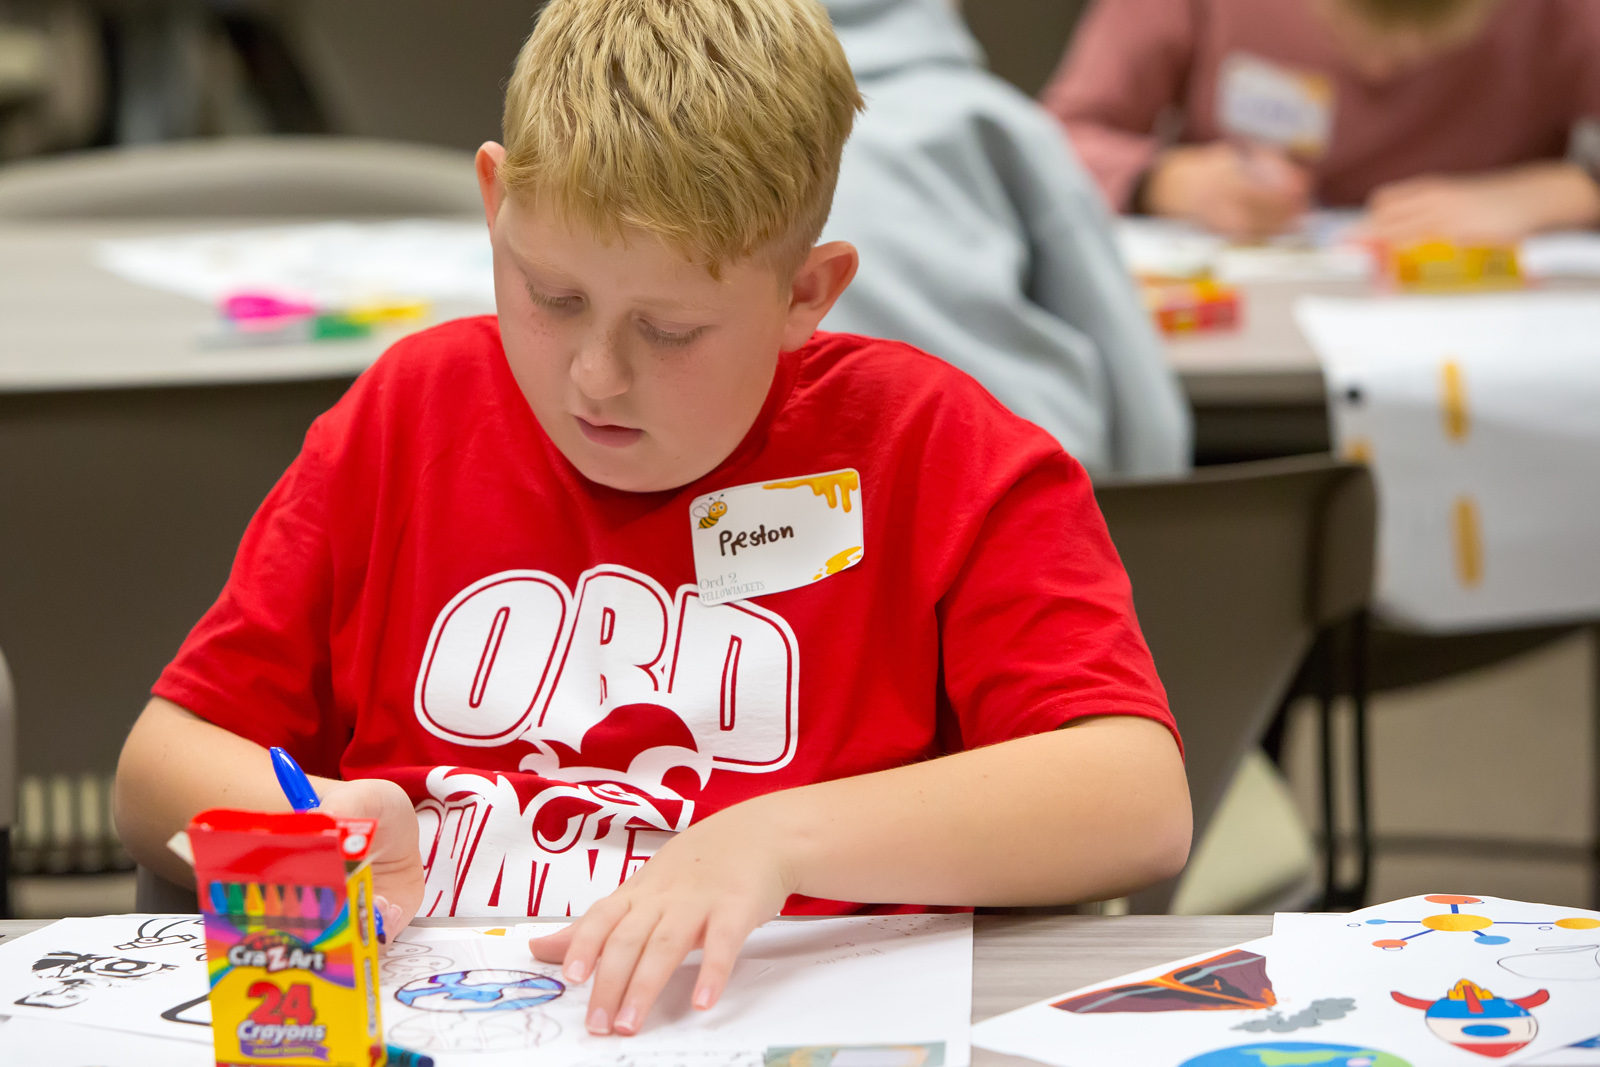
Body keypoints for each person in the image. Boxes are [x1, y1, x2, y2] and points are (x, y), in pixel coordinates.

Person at [113, 0, 1190, 1038]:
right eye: (551, 295)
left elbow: (1135, 801)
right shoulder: (407, 418)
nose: (594, 376)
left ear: (806, 294)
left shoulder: (939, 453)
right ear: (494, 200)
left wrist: (774, 837)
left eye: (669, 331)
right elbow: (154, 764)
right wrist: (322, 817)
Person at [820, 0, 1189, 478]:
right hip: (1031, 485)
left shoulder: (714, 137)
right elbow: (1142, 406)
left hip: (810, 512)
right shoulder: (993, 120)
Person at [1042, 0, 1600, 243]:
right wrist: (1164, 181)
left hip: (1486, 348)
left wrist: (1571, 191)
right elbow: (1052, 143)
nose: (1385, 62)